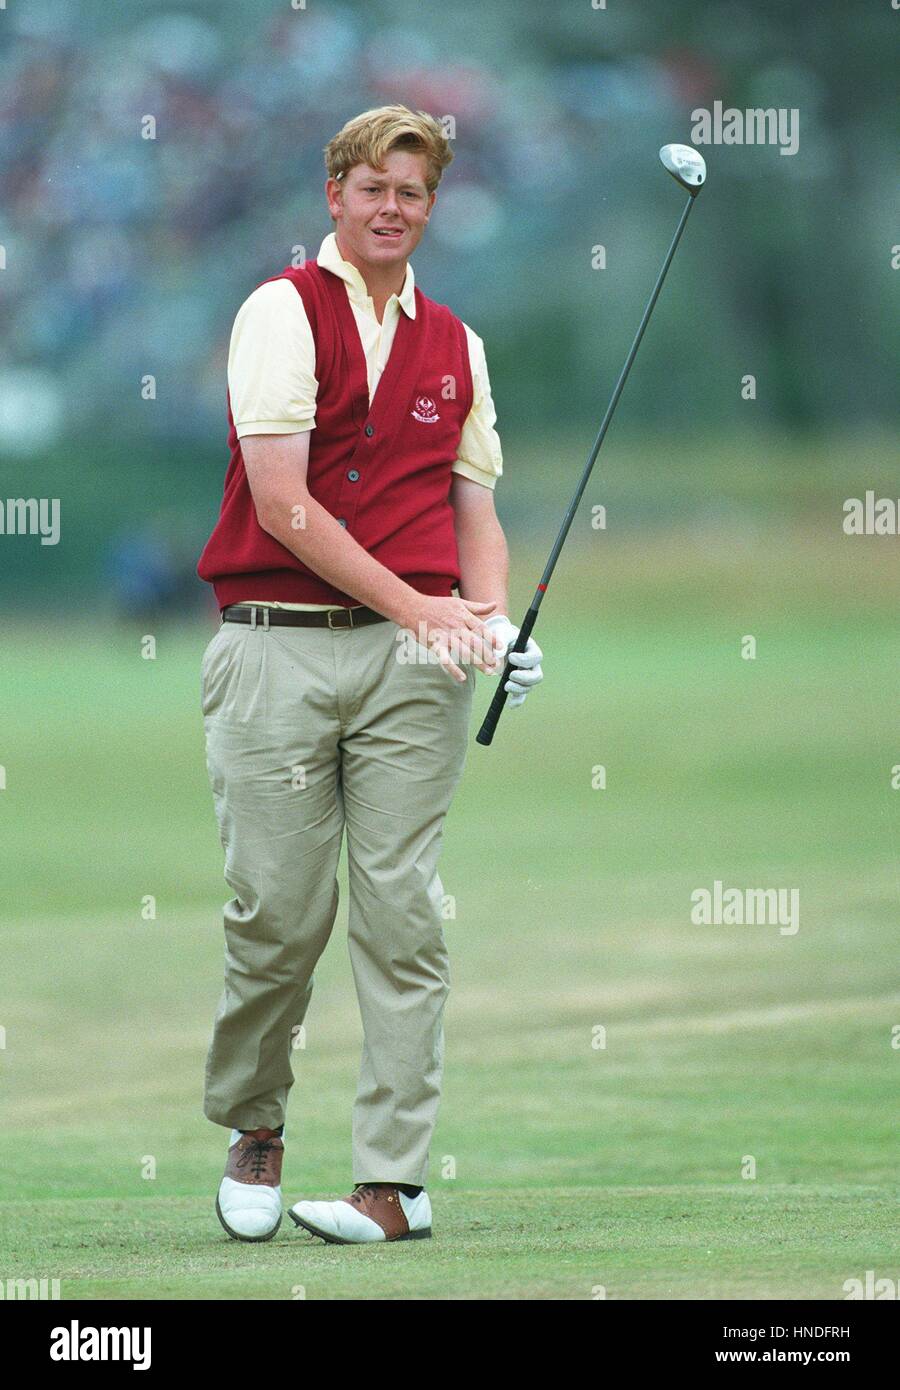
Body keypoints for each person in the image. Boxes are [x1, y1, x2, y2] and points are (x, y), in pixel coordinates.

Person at [196, 104, 543, 1245]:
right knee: (277, 916)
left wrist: (487, 623)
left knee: (404, 914)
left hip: (412, 666)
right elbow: (287, 504)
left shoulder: (458, 341)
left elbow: (471, 505)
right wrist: (431, 609)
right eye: (373, 189)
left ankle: (392, 1183)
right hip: (273, 641)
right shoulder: (278, 312)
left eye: (413, 193)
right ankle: (256, 1125)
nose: (392, 209)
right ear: (334, 195)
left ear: (430, 207)